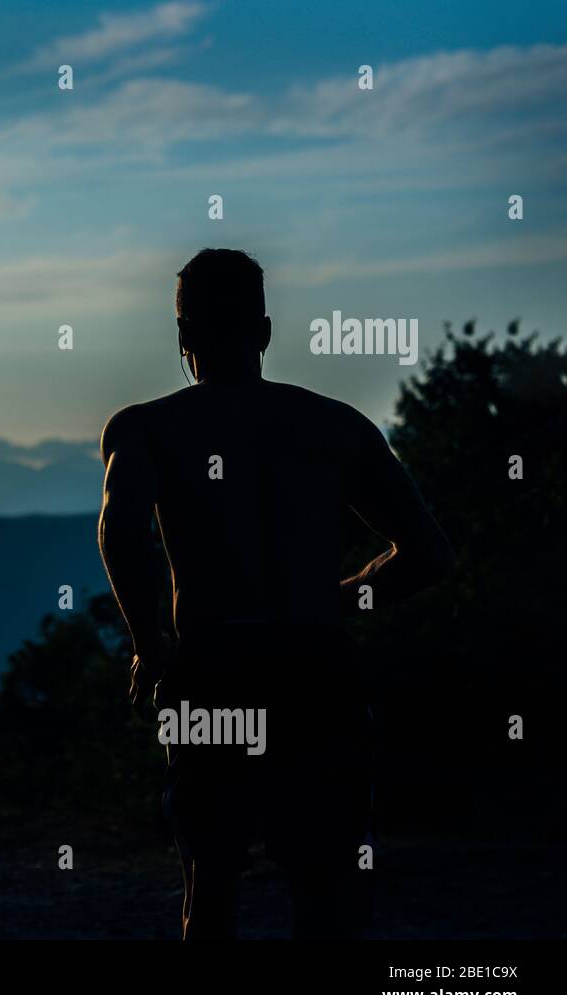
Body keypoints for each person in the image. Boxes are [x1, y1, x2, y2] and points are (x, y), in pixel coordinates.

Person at [98, 248, 454, 939]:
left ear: (182, 337)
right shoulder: (337, 427)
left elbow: (122, 534)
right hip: (315, 670)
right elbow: (430, 555)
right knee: (330, 879)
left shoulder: (147, 429)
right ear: (264, 331)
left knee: (210, 876)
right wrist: (340, 600)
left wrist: (151, 641)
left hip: (211, 666)